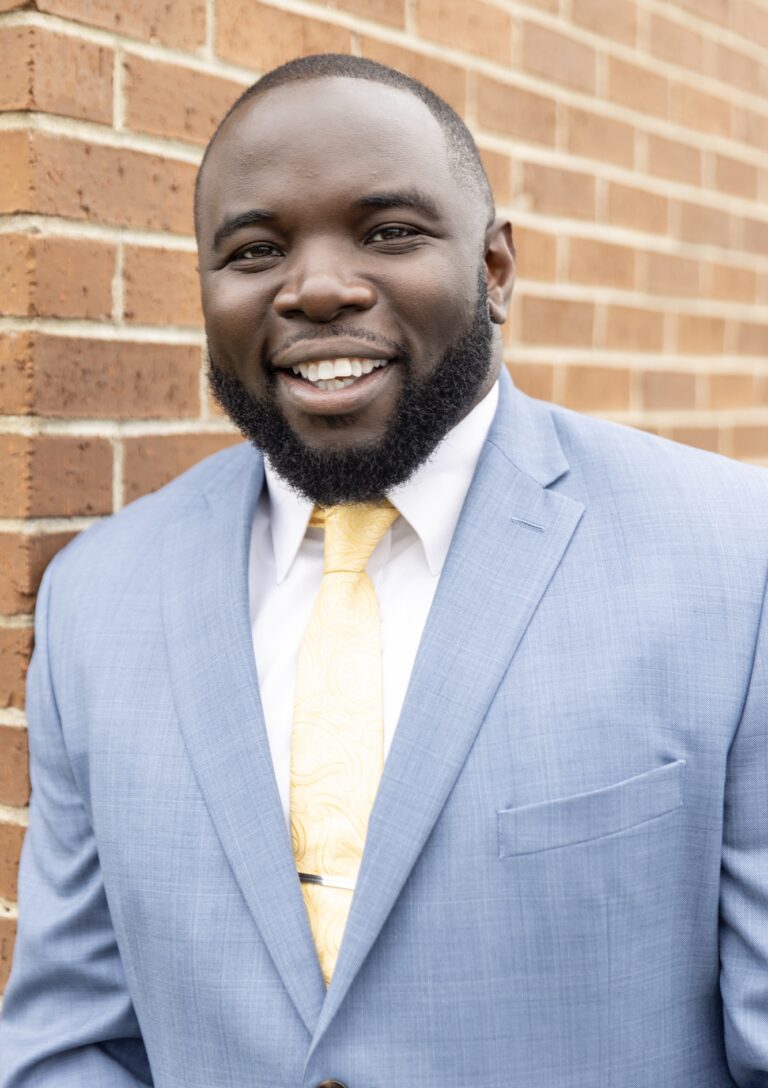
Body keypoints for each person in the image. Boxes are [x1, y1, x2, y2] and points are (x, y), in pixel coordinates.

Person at [2, 52, 768, 1088]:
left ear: (495, 268)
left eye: (389, 232)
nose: (319, 287)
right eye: (256, 249)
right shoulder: (98, 598)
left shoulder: (735, 560)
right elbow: (73, 1042)